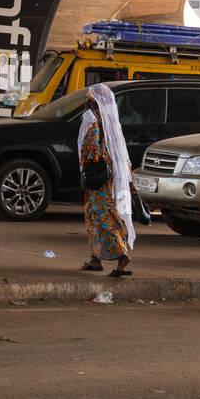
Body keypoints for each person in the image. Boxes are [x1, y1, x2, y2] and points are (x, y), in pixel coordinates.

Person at [78, 84, 135, 278]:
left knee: (99, 215)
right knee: (99, 214)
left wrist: (86, 162)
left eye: (89, 97)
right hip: (111, 176)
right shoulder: (110, 121)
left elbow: (91, 149)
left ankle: (121, 254)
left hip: (99, 177)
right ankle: (96, 259)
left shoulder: (91, 120)